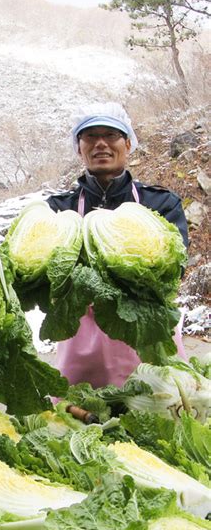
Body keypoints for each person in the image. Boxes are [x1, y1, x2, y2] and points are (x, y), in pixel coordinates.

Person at [47, 101, 188, 388]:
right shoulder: (59, 210)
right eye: (90, 136)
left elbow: (175, 271)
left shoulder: (160, 203)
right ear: (78, 147)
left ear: (128, 144)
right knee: (79, 417)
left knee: (158, 411)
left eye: (110, 135)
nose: (101, 144)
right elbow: (47, 276)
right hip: (80, 343)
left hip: (147, 335)